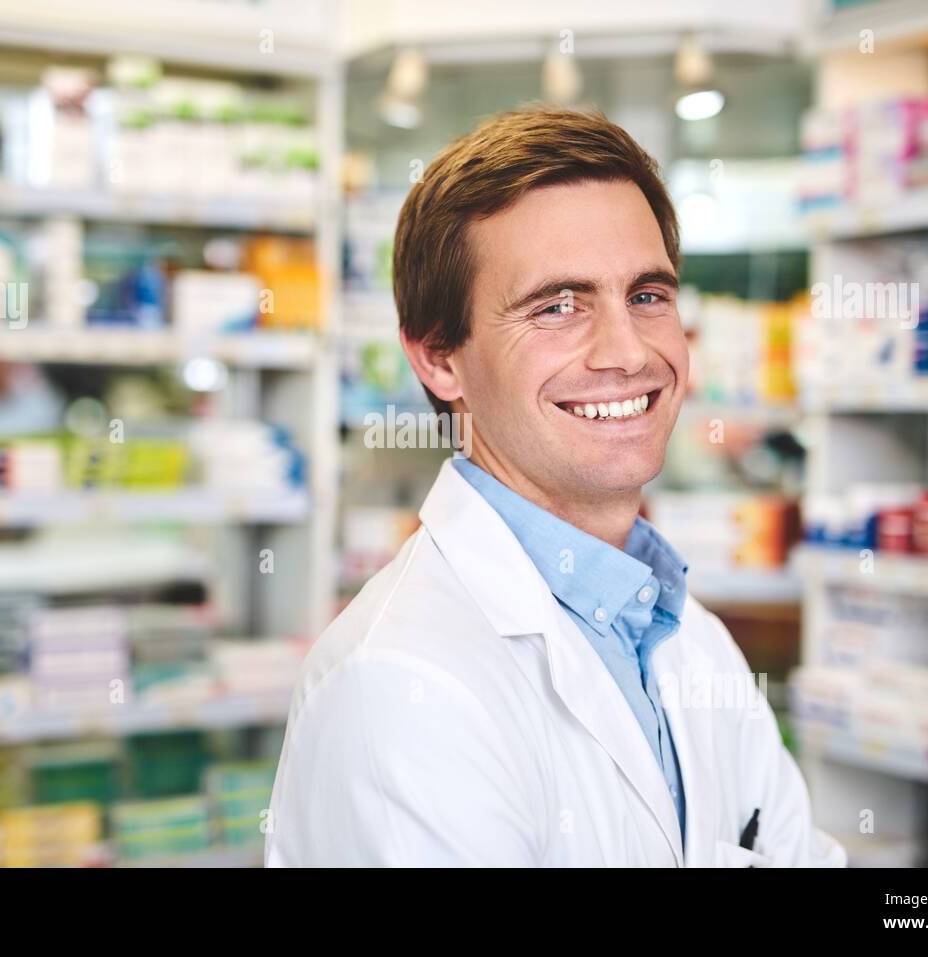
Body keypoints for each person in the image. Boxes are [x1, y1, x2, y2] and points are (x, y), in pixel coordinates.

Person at [266, 106, 845, 867]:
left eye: (647, 295)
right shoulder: (400, 688)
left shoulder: (687, 640)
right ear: (440, 358)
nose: (627, 351)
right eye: (558, 305)